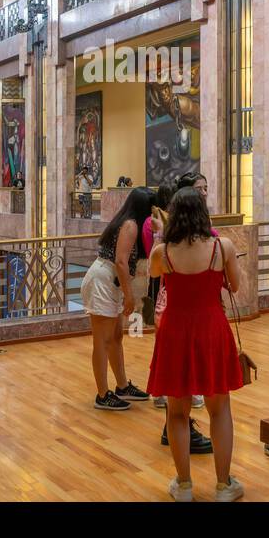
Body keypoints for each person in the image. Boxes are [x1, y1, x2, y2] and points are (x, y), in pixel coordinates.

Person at [147, 187, 245, 501]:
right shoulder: (222, 246)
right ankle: (223, 485)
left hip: (175, 329)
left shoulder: (162, 252)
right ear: (204, 213)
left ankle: (184, 485)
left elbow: (153, 276)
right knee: (220, 408)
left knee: (177, 412)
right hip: (211, 327)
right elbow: (235, 285)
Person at [80, 187, 152, 411]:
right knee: (102, 342)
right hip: (103, 281)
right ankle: (102, 394)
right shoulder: (130, 225)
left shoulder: (128, 222)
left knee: (115, 338)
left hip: (110, 283)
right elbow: (121, 262)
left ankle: (122, 386)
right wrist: (129, 298)